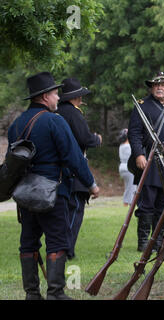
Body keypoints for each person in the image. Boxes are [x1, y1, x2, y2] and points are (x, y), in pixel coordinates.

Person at [9, 72, 99, 300]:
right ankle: (56, 293)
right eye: (56, 93)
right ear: (45, 96)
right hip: (53, 193)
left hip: (25, 194)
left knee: (28, 243)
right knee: (57, 241)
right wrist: (91, 184)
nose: (58, 98)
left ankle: (31, 294)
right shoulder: (54, 121)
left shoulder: (16, 125)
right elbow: (74, 157)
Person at [128, 71, 164, 252]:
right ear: (151, 87)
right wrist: (138, 155)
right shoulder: (142, 106)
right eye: (156, 84)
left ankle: (159, 243)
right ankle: (144, 243)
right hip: (150, 160)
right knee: (147, 203)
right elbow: (134, 133)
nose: (160, 87)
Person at [56, 77, 102, 260]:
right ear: (75, 98)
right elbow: (84, 138)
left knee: (63, 212)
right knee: (75, 209)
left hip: (58, 170)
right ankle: (67, 249)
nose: (82, 100)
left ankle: (61, 248)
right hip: (73, 169)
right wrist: (97, 139)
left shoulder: (56, 112)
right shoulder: (73, 113)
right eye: (80, 96)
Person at [118, 128, 136, 206]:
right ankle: (131, 203)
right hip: (128, 168)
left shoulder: (121, 146)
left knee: (128, 186)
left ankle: (126, 202)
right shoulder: (128, 146)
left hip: (122, 167)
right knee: (132, 187)